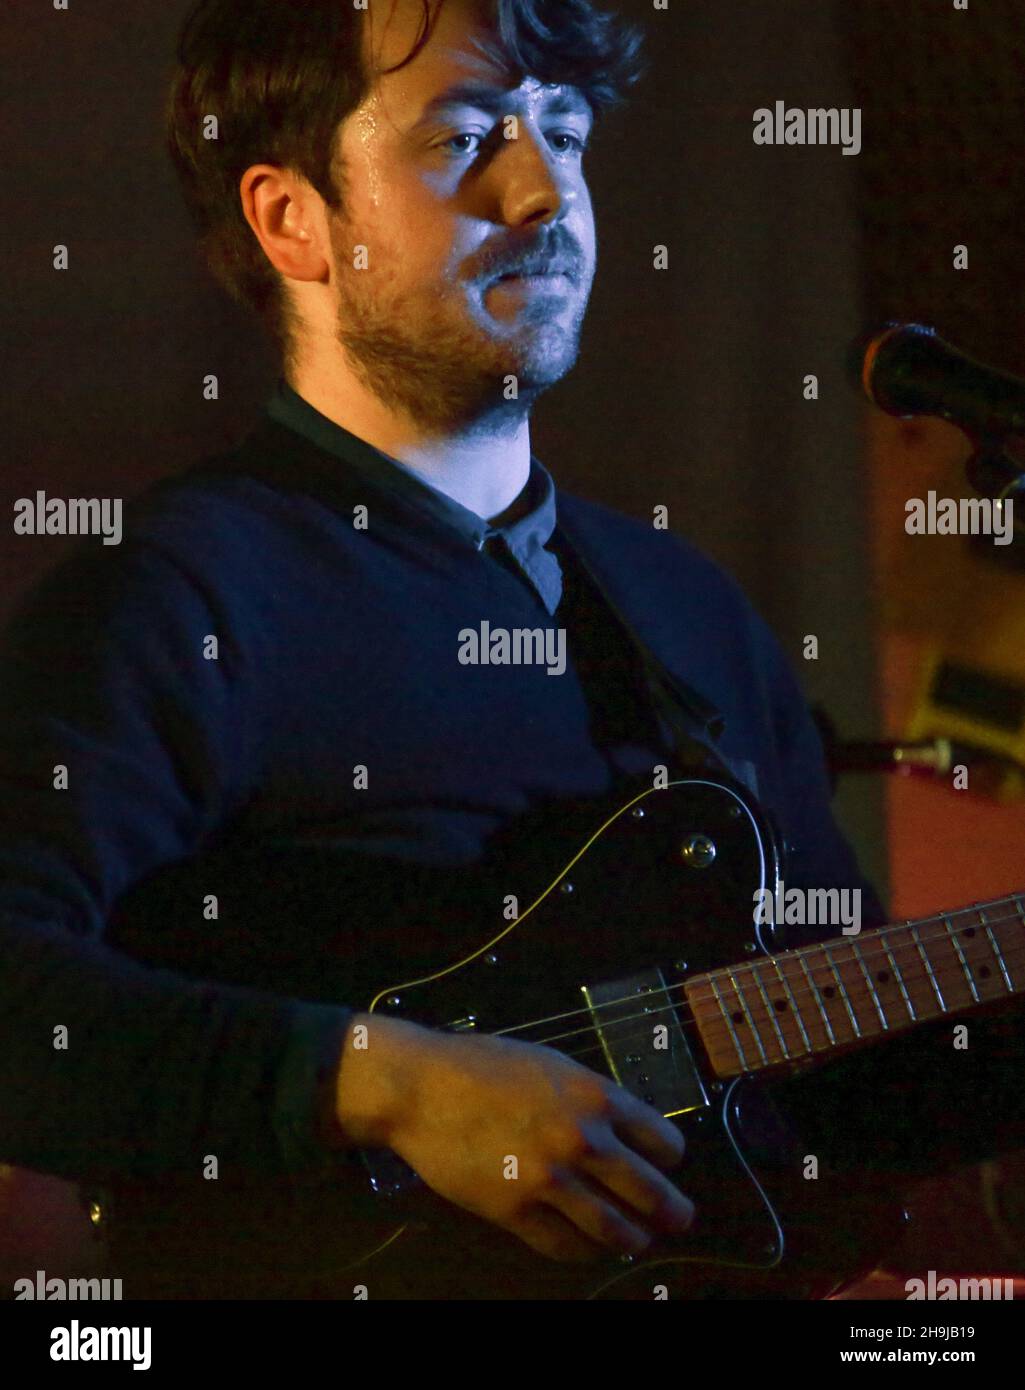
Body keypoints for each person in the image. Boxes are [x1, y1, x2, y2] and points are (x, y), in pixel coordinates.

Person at [2, 0, 1022, 1300]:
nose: (544, 191)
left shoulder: (683, 610)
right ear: (290, 218)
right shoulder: (175, 596)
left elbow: (840, 1094)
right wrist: (388, 1084)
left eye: (565, 130)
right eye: (468, 137)